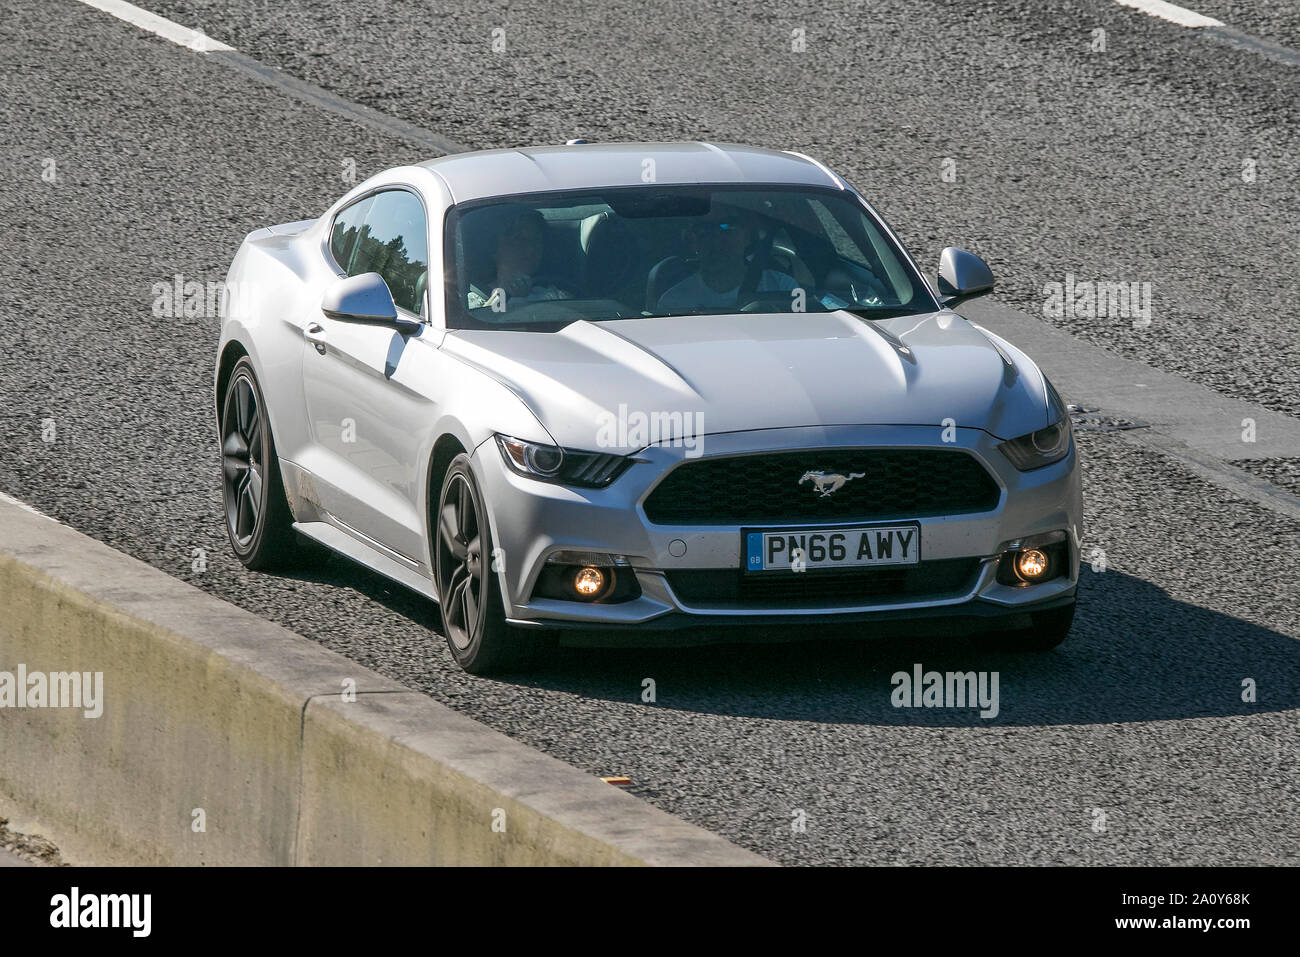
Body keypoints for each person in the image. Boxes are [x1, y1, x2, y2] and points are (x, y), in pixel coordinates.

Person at [655, 205, 797, 312]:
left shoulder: (782, 289)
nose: (717, 241)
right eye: (705, 231)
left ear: (747, 236)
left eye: (727, 228)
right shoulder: (673, 302)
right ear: (693, 242)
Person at [466, 206, 571, 309]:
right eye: (518, 240)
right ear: (492, 247)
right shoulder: (470, 302)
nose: (530, 249)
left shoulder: (556, 297)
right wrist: (505, 295)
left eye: (536, 240)